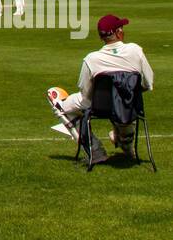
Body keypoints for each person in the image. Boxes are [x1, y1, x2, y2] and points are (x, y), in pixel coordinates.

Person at [47, 14, 154, 164]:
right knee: (124, 100)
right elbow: (148, 83)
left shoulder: (92, 59)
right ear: (118, 32)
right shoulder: (135, 50)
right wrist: (129, 91)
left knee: (56, 100)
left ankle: (95, 150)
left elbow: (85, 92)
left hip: (99, 107)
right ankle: (127, 145)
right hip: (130, 107)